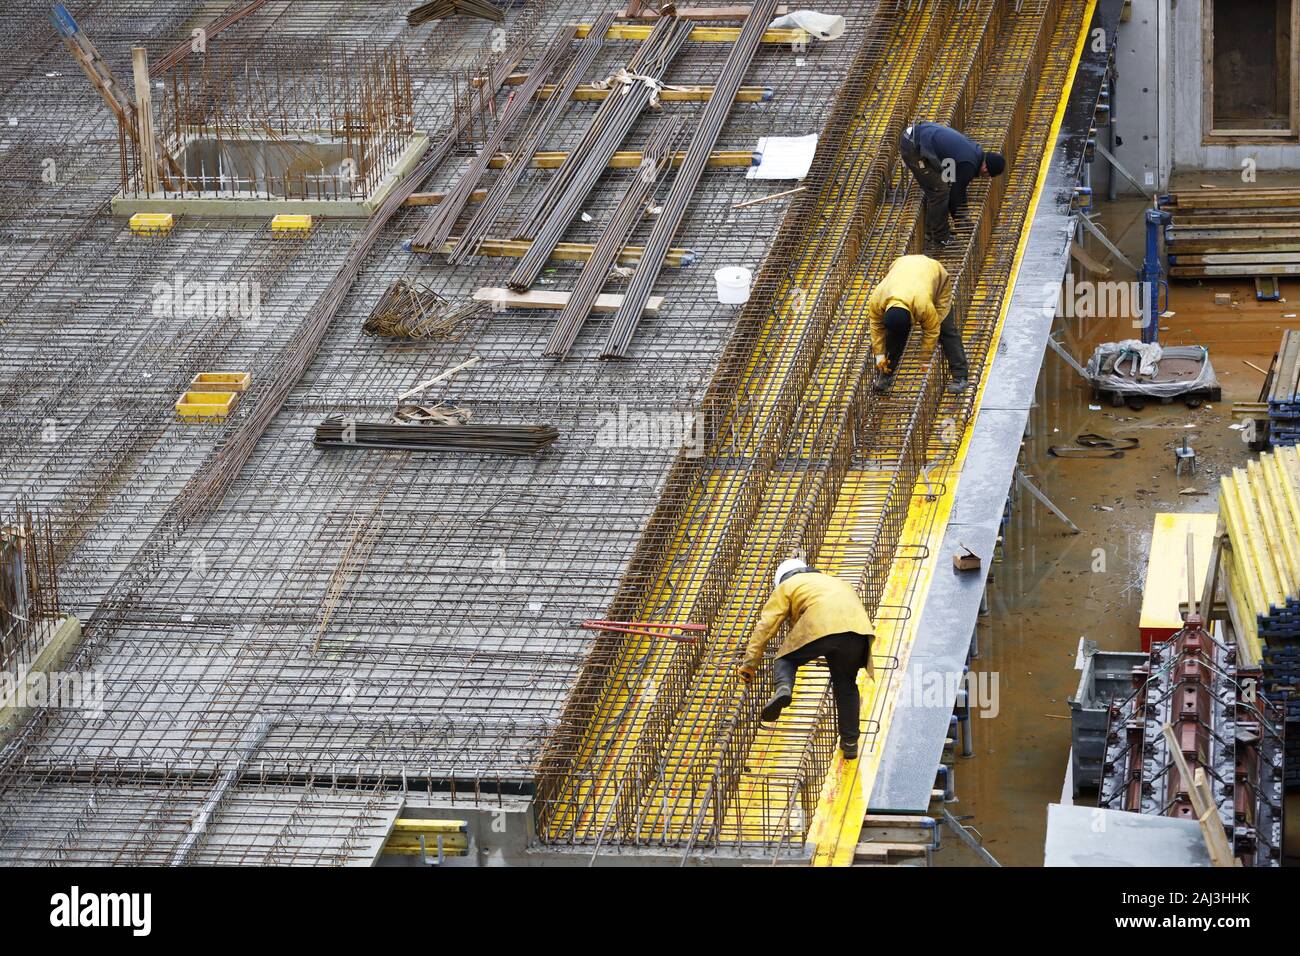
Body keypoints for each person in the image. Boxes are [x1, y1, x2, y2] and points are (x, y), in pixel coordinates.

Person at [739, 558, 875, 760]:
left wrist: (750, 663)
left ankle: (783, 688)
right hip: (857, 632)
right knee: (845, 685)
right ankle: (850, 743)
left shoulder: (787, 586)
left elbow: (766, 625)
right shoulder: (835, 582)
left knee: (785, 659)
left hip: (820, 624)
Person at [867, 253, 969, 393]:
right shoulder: (877, 300)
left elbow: (932, 331)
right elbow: (876, 327)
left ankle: (960, 376)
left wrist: (925, 358)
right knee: (894, 337)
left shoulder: (923, 305)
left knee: (946, 330)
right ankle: (885, 376)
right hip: (902, 264)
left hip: (934, 274)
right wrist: (879, 355)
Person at [899, 121, 1005, 249]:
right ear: (986, 168)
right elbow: (955, 194)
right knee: (940, 192)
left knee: (942, 184)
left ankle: (930, 231)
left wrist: (962, 216)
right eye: (988, 175)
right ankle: (940, 237)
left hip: (916, 135)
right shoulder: (969, 165)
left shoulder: (974, 153)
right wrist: (959, 220)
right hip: (913, 146)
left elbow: (958, 186)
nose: (985, 177)